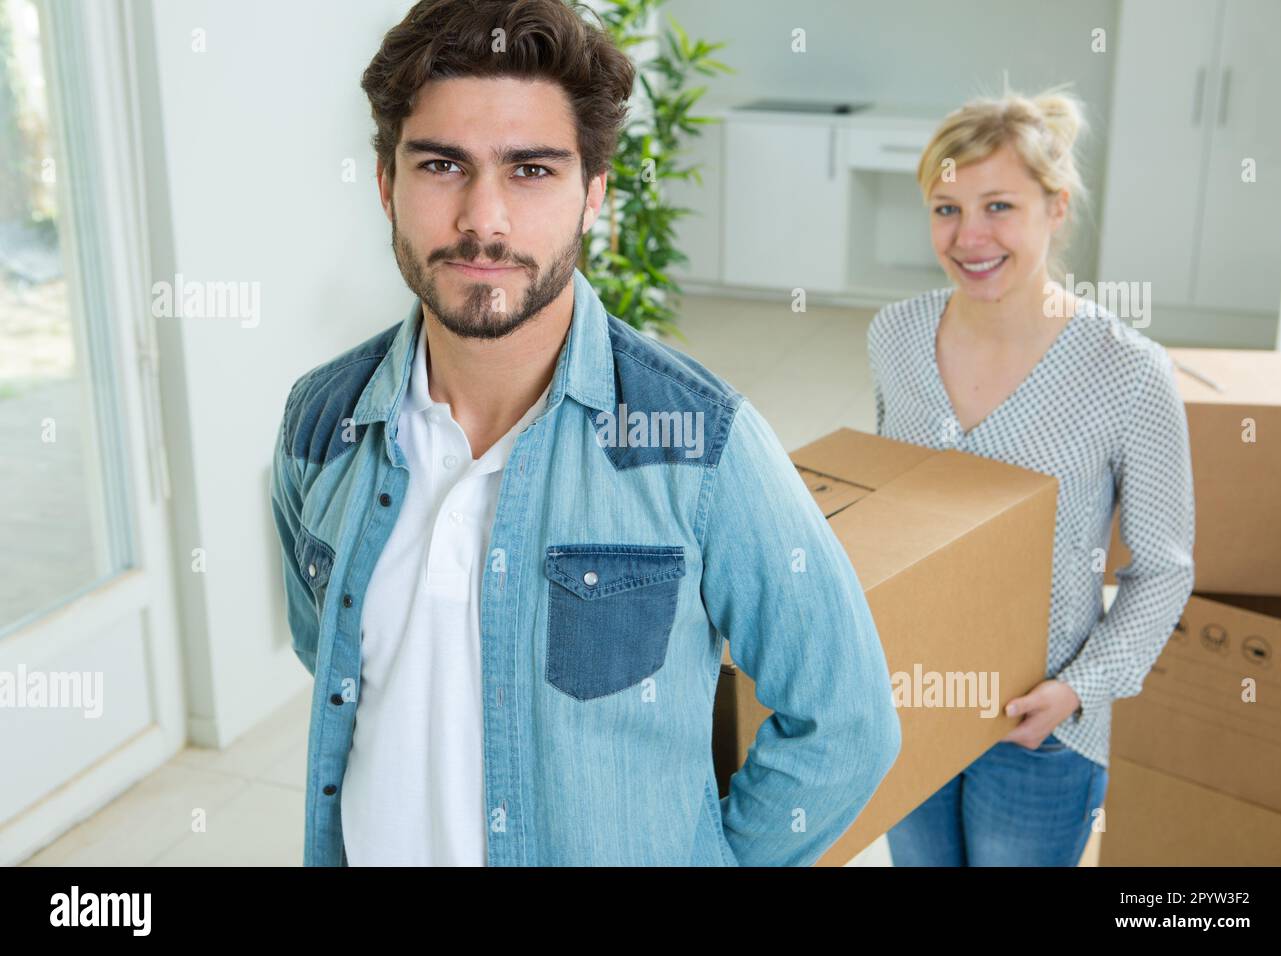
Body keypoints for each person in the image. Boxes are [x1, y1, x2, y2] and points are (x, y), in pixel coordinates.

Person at [269, 0, 901, 867]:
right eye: (443, 165)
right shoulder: (319, 424)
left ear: (592, 196)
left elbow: (848, 725)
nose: (483, 220)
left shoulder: (698, 443)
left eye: (530, 170)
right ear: (386, 183)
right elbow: (330, 654)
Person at [868, 87, 1194, 866]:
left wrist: (1079, 690)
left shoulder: (1129, 373)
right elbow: (887, 519)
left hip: (1042, 728)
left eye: (999, 206)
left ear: (1057, 207)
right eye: (946, 208)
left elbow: (1162, 571)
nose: (969, 236)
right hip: (915, 705)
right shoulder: (897, 336)